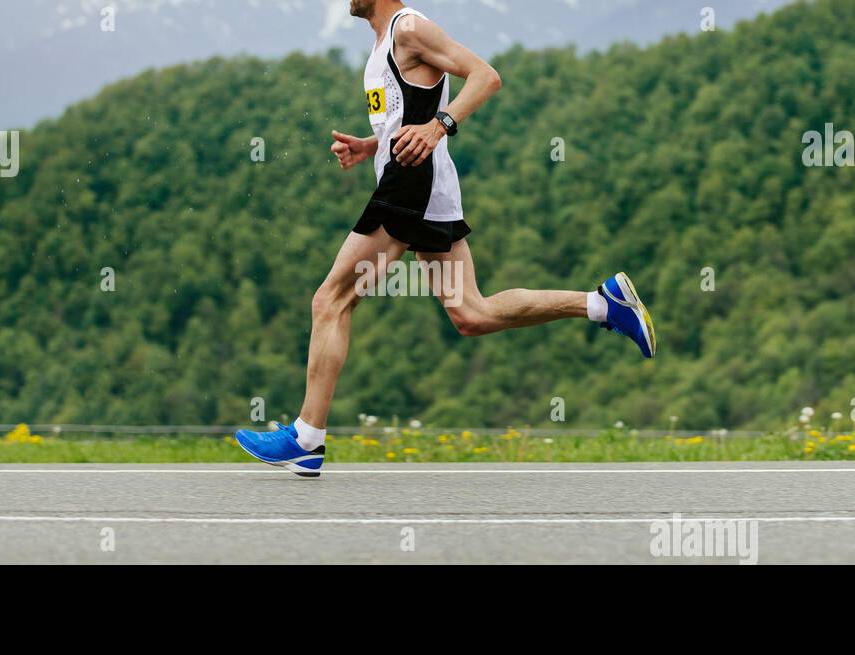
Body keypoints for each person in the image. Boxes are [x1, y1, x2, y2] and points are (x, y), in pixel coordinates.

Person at [234, 0, 655, 477]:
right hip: (424, 187)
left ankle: (307, 438)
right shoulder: (383, 41)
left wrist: (441, 126)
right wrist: (371, 144)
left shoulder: (409, 28)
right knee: (471, 314)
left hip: (410, 184)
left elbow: (485, 76)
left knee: (331, 299)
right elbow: (406, 110)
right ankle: (604, 304)